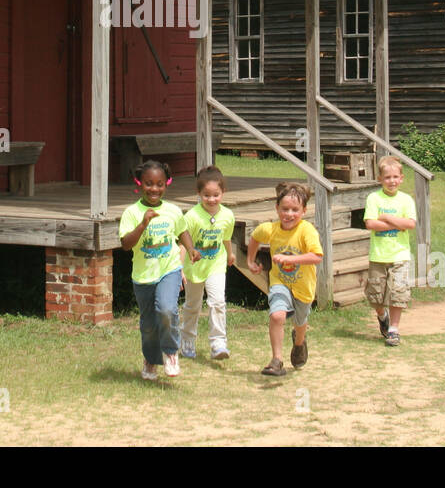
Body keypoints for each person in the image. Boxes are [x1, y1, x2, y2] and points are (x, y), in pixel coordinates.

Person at [119, 159, 196, 380]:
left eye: (160, 184)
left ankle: (171, 353)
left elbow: (182, 231)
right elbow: (126, 244)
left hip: (169, 269)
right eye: (149, 184)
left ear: (167, 184)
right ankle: (151, 360)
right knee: (149, 324)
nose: (154, 189)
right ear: (139, 183)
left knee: (166, 309)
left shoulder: (172, 210)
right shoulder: (132, 212)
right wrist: (143, 224)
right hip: (143, 276)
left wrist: (190, 249)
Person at [248, 182, 323, 376]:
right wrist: (250, 261)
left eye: (294, 210)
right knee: (277, 315)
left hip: (303, 287)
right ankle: (276, 360)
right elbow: (255, 237)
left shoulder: (307, 231)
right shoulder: (270, 229)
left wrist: (290, 258)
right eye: (284, 209)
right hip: (279, 282)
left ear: (304, 211)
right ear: (277, 209)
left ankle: (299, 343)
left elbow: (317, 256)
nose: (289, 214)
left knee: (300, 322)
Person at [180, 165, 236, 361]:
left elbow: (225, 238)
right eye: (206, 195)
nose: (211, 200)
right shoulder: (192, 217)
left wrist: (230, 254)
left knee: (217, 302)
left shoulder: (227, 216)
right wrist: (181, 269)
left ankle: (218, 343)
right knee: (192, 306)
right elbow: (183, 243)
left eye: (216, 195)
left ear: (223, 193)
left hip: (216, 265)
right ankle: (187, 339)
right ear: (198, 193)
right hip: (194, 267)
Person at [363, 156, 417, 347]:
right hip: (378, 256)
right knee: (375, 296)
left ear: (401, 178)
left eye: (395, 177)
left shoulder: (406, 200)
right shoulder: (374, 198)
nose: (392, 181)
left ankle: (394, 329)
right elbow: (370, 223)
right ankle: (382, 315)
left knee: (398, 293)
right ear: (380, 179)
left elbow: (410, 223)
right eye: (387, 177)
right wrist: (396, 223)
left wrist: (385, 218)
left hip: (400, 255)